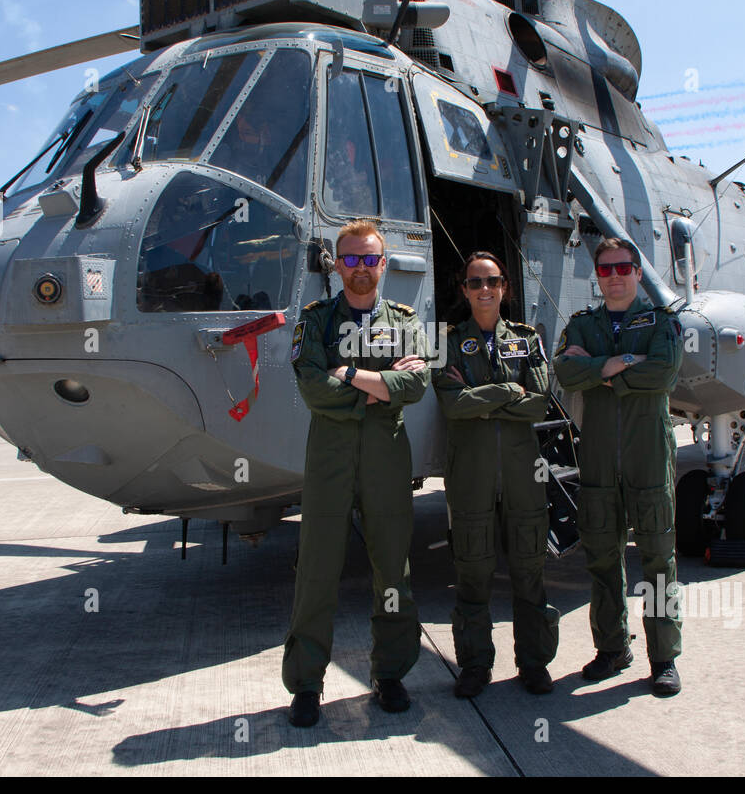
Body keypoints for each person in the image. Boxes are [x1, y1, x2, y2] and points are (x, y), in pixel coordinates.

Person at [284, 219, 430, 727]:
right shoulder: (317, 320)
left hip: (387, 454)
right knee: (317, 566)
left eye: (370, 259)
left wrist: (345, 372)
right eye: (351, 259)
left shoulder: (406, 319)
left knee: (392, 566)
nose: (361, 268)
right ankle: (306, 683)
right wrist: (379, 387)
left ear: (383, 264)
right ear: (338, 264)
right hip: (330, 452)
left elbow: (417, 386)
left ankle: (389, 675)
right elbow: (310, 386)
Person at [554, 238, 684, 697]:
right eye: (605, 270)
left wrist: (600, 369)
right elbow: (564, 374)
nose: (614, 277)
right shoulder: (582, 324)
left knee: (658, 558)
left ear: (637, 272)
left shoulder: (661, 322)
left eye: (623, 268)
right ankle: (612, 649)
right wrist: (626, 361)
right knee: (603, 559)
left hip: (647, 454)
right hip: (598, 460)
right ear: (597, 274)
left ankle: (664, 657)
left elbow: (664, 373)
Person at [433, 252, 559, 697]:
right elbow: (452, 405)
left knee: (529, 570)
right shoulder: (449, 342)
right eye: (474, 283)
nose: (484, 290)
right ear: (464, 290)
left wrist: (478, 398)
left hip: (523, 475)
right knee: (472, 572)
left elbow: (540, 402)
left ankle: (533, 663)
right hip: (471, 476)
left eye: (492, 281)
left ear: (504, 287)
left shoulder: (527, 340)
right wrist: (508, 390)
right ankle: (474, 665)